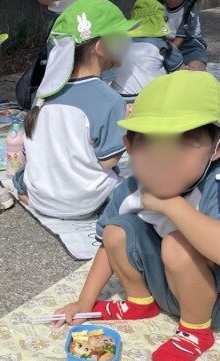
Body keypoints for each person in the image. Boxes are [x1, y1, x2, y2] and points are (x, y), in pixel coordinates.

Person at [54, 71, 220, 361]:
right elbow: (107, 246)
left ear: (218, 147)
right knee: (116, 230)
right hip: (173, 286)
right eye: (150, 143)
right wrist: (84, 301)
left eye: (185, 142)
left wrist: (171, 204)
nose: (164, 158)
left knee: (177, 243)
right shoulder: (132, 187)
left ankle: (195, 330)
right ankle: (140, 302)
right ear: (129, 145)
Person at [14, 0, 138, 220]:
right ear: (101, 47)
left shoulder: (45, 93)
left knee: (22, 176)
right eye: (121, 38)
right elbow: (108, 162)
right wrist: (128, 130)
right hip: (85, 202)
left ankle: (30, 195)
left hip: (41, 200)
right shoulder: (110, 100)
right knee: (137, 188)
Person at [112, 0, 185, 102]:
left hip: (121, 98)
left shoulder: (120, 43)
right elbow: (182, 72)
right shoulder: (164, 46)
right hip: (149, 100)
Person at [162, 0, 207, 70]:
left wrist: (166, 53)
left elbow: (180, 38)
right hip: (167, 43)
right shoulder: (160, 6)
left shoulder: (188, 11)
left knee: (196, 67)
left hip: (190, 46)